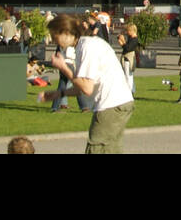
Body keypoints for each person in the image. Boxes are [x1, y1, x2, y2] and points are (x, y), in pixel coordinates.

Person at [38, 12, 135, 153]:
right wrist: (57, 94)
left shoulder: (87, 47)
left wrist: (63, 67)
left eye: (54, 36)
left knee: (96, 148)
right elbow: (81, 88)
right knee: (111, 149)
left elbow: (87, 88)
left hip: (111, 105)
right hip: (119, 103)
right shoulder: (83, 46)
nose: (53, 41)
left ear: (65, 32)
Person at [118, 23, 141, 95]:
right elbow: (125, 48)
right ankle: (131, 90)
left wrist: (123, 41)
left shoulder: (134, 39)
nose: (127, 32)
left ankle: (129, 91)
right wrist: (122, 43)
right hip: (126, 57)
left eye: (128, 31)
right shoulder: (130, 38)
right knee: (128, 76)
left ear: (132, 31)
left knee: (128, 76)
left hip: (129, 59)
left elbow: (128, 48)